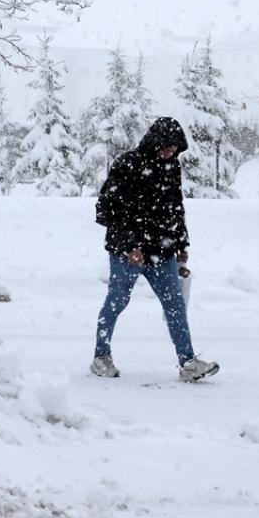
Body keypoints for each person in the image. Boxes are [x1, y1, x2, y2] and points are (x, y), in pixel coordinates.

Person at [91, 117, 219, 382]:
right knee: (116, 302)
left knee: (175, 305)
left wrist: (182, 242)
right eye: (169, 147)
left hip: (162, 250)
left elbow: (175, 207)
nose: (171, 153)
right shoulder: (128, 163)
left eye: (176, 149)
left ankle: (188, 363)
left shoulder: (171, 167)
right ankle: (100, 357)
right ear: (156, 142)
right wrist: (129, 246)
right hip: (128, 252)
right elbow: (106, 209)